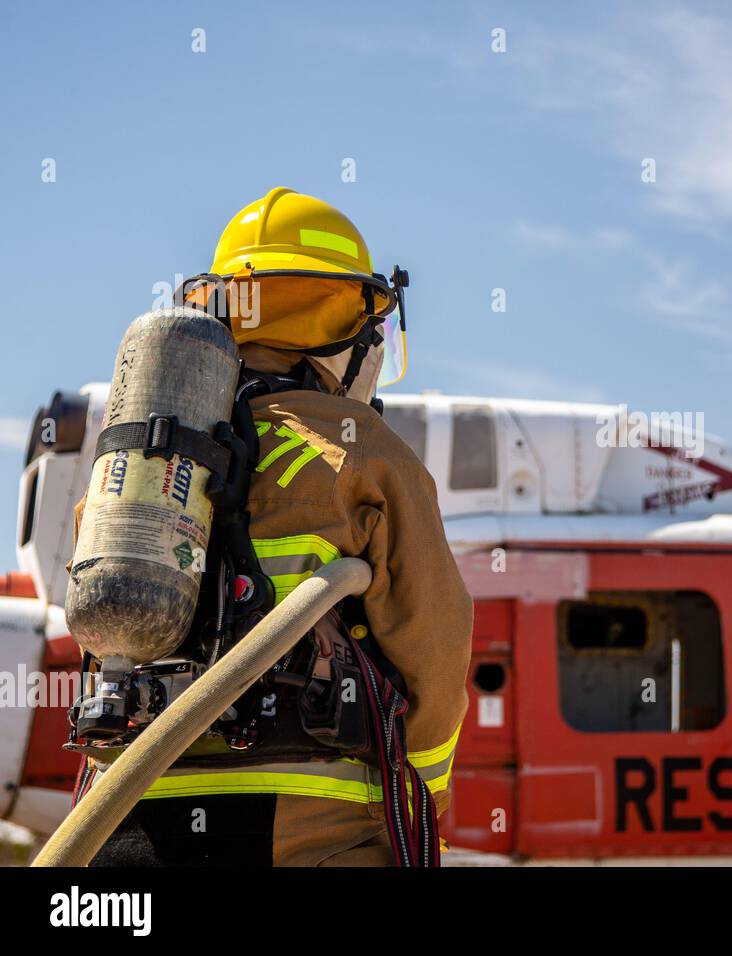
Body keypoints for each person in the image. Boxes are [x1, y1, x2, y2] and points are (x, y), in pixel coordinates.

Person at [80, 187, 473, 866]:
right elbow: (433, 651)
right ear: (349, 322)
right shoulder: (366, 454)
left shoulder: (142, 462)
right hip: (306, 830)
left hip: (128, 825)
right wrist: (423, 802)